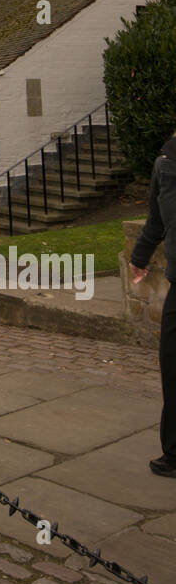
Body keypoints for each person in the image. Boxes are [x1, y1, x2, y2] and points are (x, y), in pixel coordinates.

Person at [129, 128, 176, 478]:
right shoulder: (166, 164)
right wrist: (141, 255)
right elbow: (157, 220)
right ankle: (175, 453)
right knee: (172, 365)